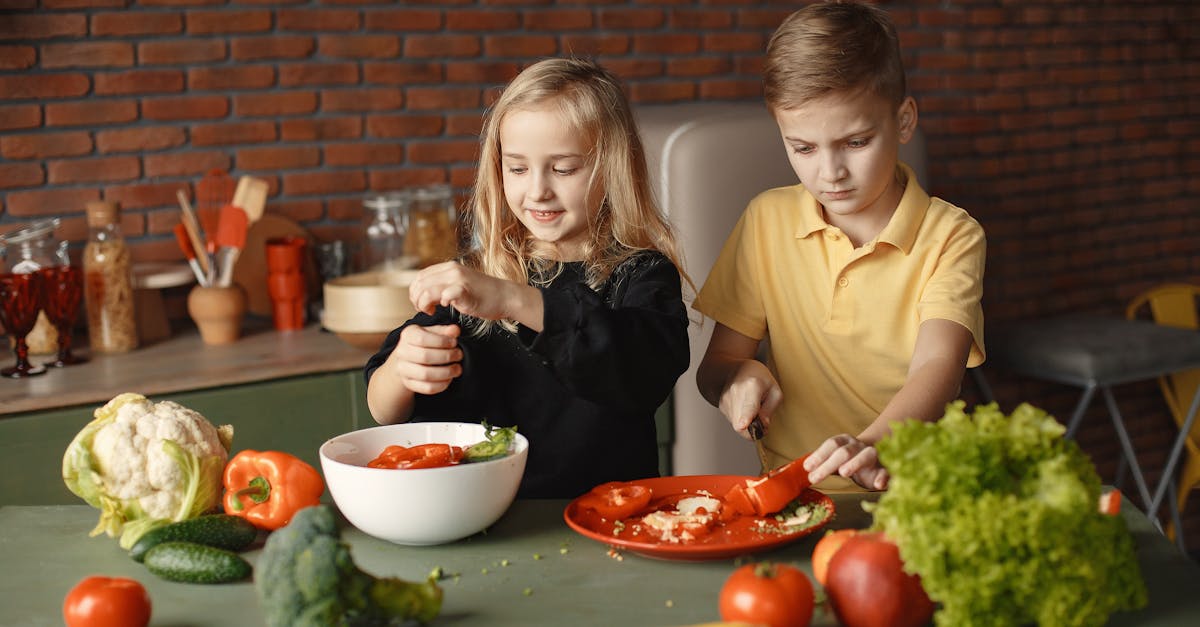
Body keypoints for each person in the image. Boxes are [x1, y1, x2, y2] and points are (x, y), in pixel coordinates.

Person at [365, 58, 691, 499]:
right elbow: (383, 409)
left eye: (563, 168)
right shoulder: (476, 277)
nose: (537, 189)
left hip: (607, 523)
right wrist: (403, 369)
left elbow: (641, 369)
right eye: (517, 168)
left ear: (612, 167)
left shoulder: (640, 275)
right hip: (485, 522)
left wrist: (512, 301)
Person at [693, 0, 985, 492]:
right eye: (803, 148)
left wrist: (871, 445)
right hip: (794, 493)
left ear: (905, 121)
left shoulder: (950, 234)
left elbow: (939, 368)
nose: (829, 174)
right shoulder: (766, 220)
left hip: (912, 493)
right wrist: (737, 381)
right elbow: (715, 368)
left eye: (855, 142)